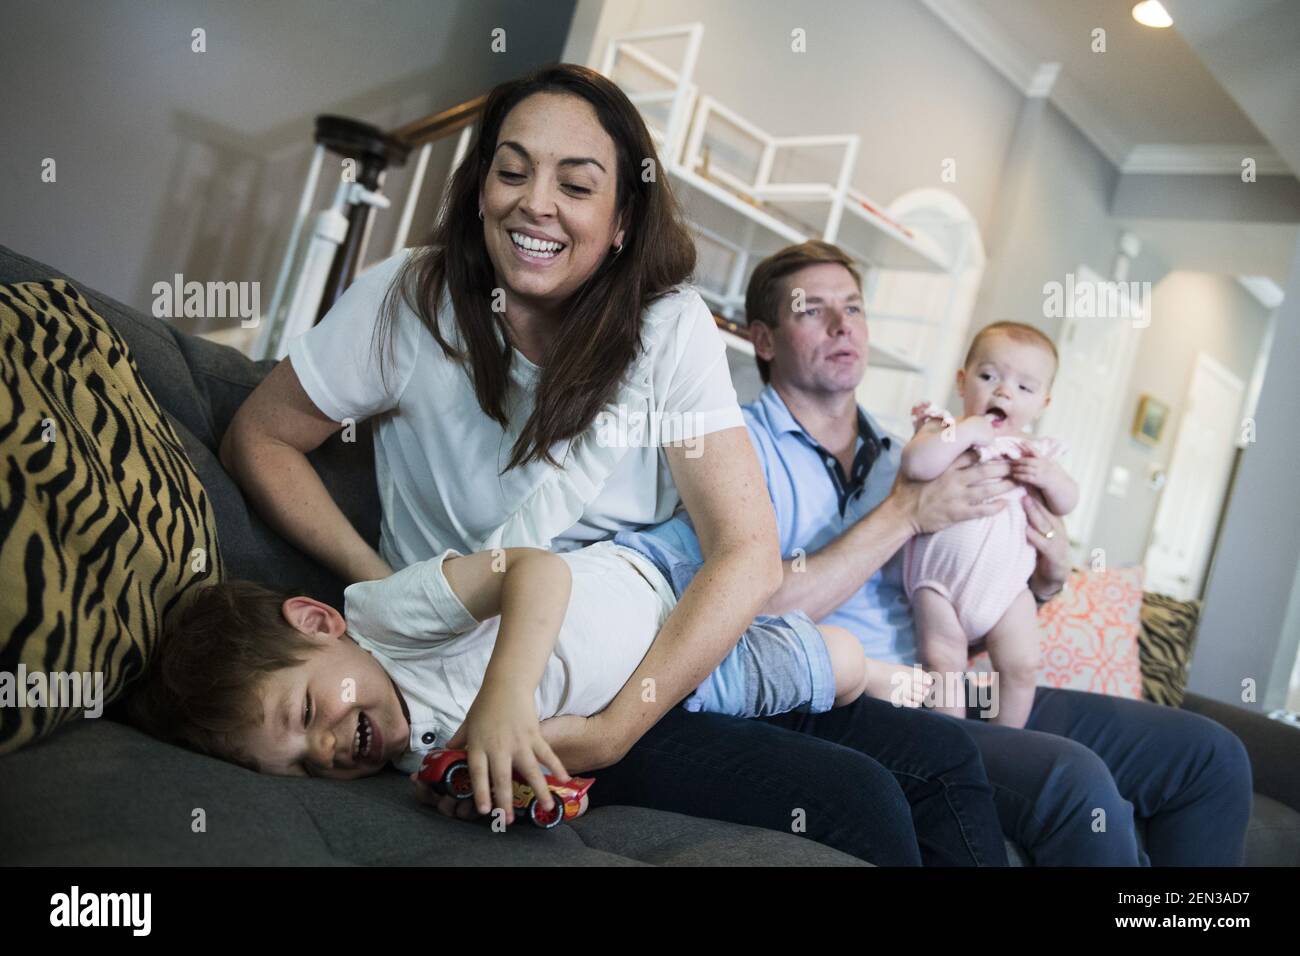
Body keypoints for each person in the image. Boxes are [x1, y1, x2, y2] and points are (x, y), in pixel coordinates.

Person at [219, 63, 1007, 866]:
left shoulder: (667, 329)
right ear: (480, 186)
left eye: (577, 184)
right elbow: (262, 436)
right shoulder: (409, 299)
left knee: (946, 765)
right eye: (513, 170)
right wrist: (378, 580)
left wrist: (617, 727)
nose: (536, 203)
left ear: (624, 219)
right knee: (857, 800)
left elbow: (745, 550)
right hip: (495, 678)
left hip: (652, 670)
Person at [680, 238, 1247, 865]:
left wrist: (1046, 580)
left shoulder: (913, 450)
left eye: (856, 307)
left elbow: (968, 596)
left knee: (1208, 756)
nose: (845, 326)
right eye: (812, 309)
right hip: (865, 697)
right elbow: (743, 610)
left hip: (958, 682)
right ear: (763, 339)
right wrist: (903, 515)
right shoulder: (738, 453)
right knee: (1072, 782)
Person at [900, 321, 1078, 727]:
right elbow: (915, 464)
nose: (1003, 392)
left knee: (1021, 666)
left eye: (1024, 388)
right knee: (943, 661)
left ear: (1042, 404)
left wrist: (1050, 477)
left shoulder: (1035, 453)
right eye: (988, 376)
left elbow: (1068, 501)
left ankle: (1004, 744)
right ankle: (952, 739)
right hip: (938, 583)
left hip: (1008, 589)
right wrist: (963, 433)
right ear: (962, 382)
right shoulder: (942, 428)